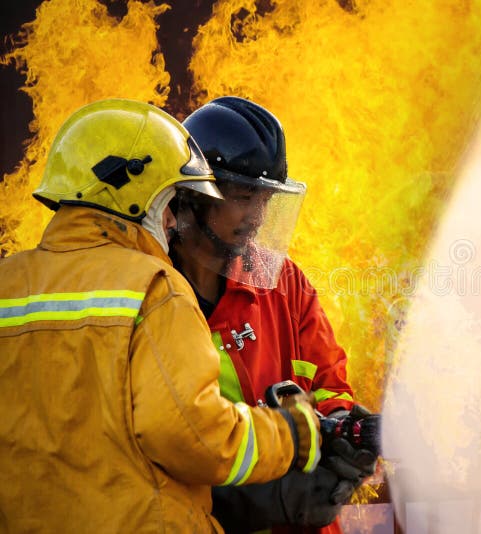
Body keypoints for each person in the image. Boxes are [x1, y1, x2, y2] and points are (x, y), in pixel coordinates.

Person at [0, 99, 322, 533]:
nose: (173, 219)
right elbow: (194, 436)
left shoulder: (8, 283)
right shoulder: (154, 286)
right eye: (169, 200)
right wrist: (290, 435)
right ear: (135, 199)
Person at [169, 96, 377, 533]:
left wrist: (341, 429)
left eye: (266, 200)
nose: (258, 216)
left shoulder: (282, 281)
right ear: (195, 195)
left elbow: (329, 383)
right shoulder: (154, 294)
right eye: (245, 197)